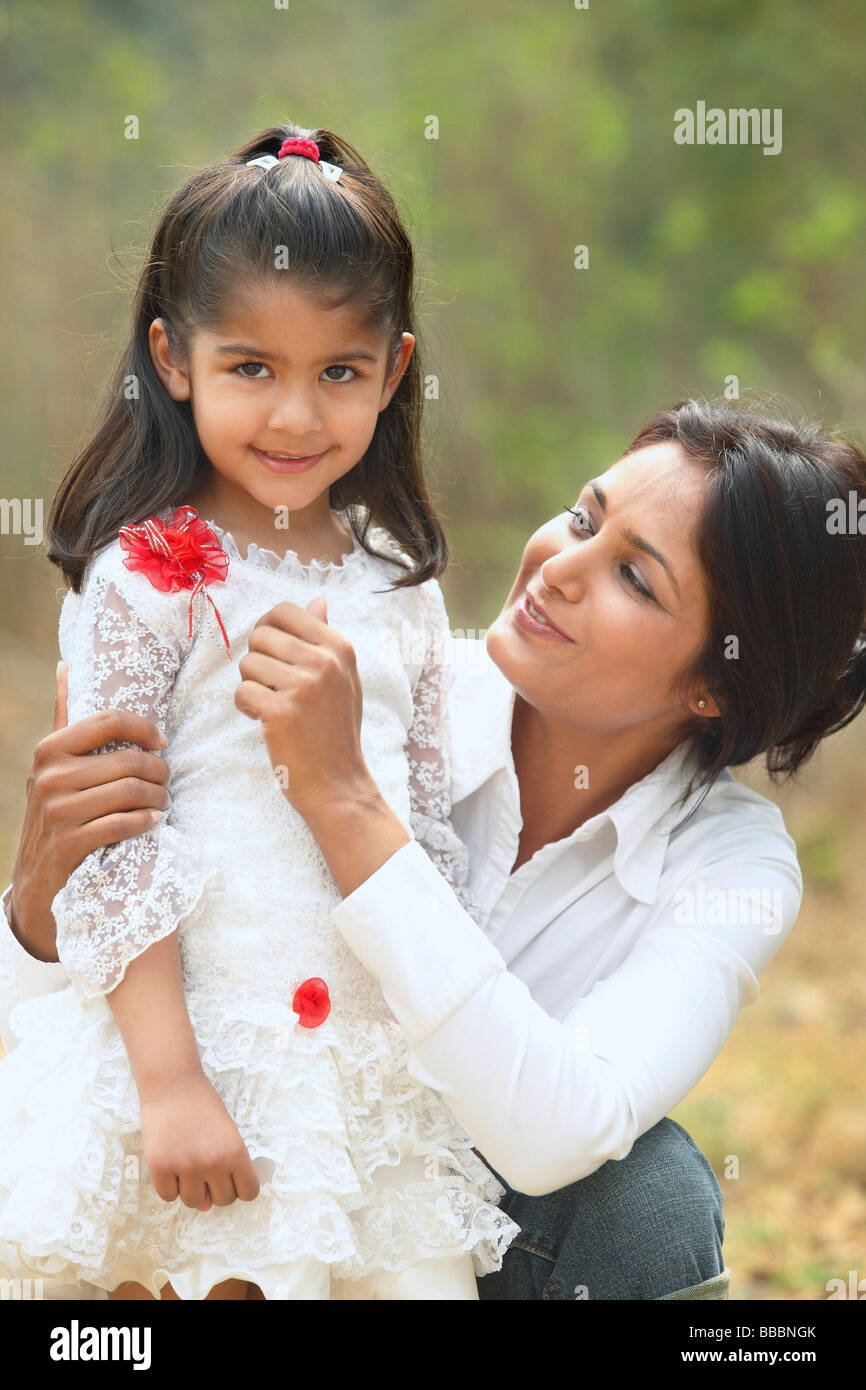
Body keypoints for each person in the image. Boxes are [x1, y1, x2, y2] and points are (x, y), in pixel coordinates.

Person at [5, 418, 866, 1297]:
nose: (560, 568)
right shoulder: (384, 683)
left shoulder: (732, 862)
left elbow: (559, 1134)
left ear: (715, 683)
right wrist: (36, 913)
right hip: (229, 1161)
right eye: (582, 518)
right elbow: (61, 1018)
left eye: (634, 578)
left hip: (450, 1230)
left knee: (654, 1195)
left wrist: (346, 800)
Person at [0, 121, 522, 1302]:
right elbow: (113, 846)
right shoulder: (143, 574)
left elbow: (423, 823)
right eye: (251, 368)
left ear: (393, 372)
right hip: (195, 1049)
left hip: (358, 1075)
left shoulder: (400, 578)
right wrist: (170, 1079)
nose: (295, 417)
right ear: (172, 359)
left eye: (337, 372)